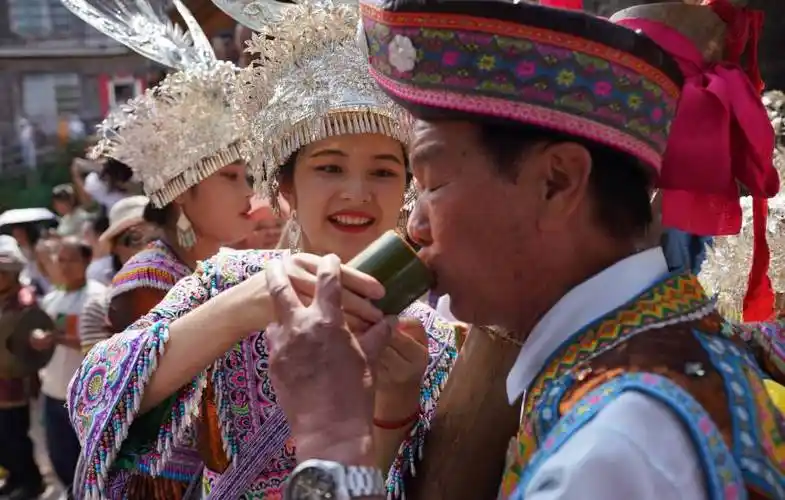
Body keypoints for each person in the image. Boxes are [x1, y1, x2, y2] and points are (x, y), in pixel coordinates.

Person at [257, 1, 785, 499]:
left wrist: (334, 442)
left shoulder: (618, 444)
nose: (413, 225)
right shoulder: (657, 360)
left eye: (434, 182)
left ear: (556, 182)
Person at [67, 2, 457, 499]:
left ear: (406, 186)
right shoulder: (229, 283)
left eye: (382, 171)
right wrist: (246, 306)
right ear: (286, 189)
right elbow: (92, 394)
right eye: (329, 168)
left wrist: (394, 410)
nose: (358, 193)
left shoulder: (434, 339)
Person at [59, 0, 257, 495]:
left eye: (249, 177)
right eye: (232, 178)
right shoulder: (147, 280)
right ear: (186, 191)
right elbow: (158, 415)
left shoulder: (226, 266)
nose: (248, 193)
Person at [31, 237, 103, 499]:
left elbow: (99, 344)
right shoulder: (51, 299)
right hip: (52, 391)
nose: (63, 266)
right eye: (59, 260)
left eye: (70, 260)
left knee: (85, 462)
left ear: (86, 261)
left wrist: (57, 338)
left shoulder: (97, 298)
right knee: (59, 457)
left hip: (84, 397)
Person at [78, 196, 159, 355]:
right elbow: (99, 375)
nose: (146, 246)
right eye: (134, 239)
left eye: (155, 237)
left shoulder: (195, 288)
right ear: (114, 247)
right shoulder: (99, 308)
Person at [0, 236, 45, 500]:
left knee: (14, 435)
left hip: (14, 382)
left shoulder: (24, 300)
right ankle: (16, 477)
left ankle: (30, 481)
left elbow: (32, 331)